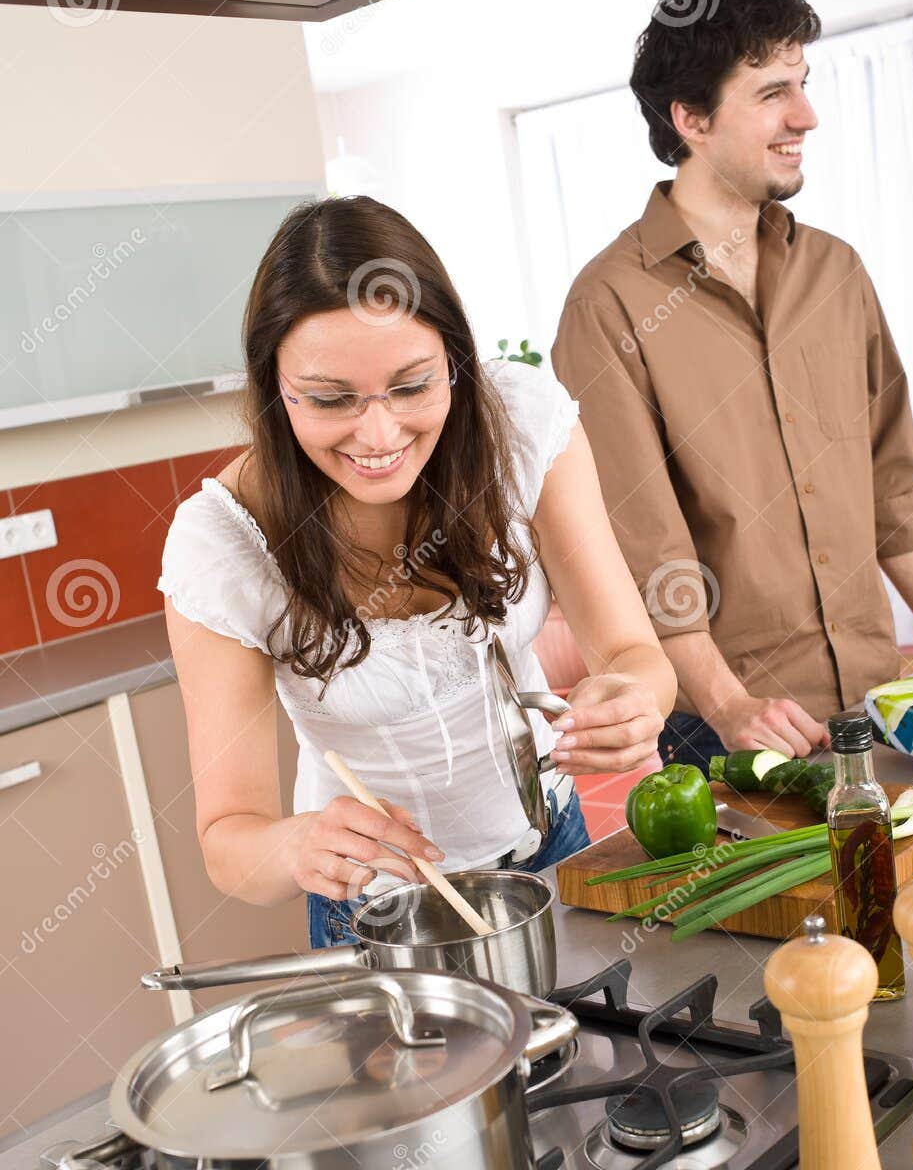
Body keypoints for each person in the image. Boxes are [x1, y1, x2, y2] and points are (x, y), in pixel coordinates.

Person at [159, 196, 675, 949]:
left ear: (454, 360)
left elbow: (634, 655)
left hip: (555, 857)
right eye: (332, 399)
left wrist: (634, 699)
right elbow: (229, 842)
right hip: (374, 914)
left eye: (411, 386)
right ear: (275, 389)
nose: (379, 433)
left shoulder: (519, 424)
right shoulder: (222, 545)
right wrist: (297, 844)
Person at [552, 0, 913, 772]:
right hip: (729, 723)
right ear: (689, 117)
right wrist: (727, 705)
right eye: (770, 93)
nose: (806, 116)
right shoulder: (607, 303)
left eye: (803, 84)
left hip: (876, 695)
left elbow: (889, 483)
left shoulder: (836, 271)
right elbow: (646, 545)